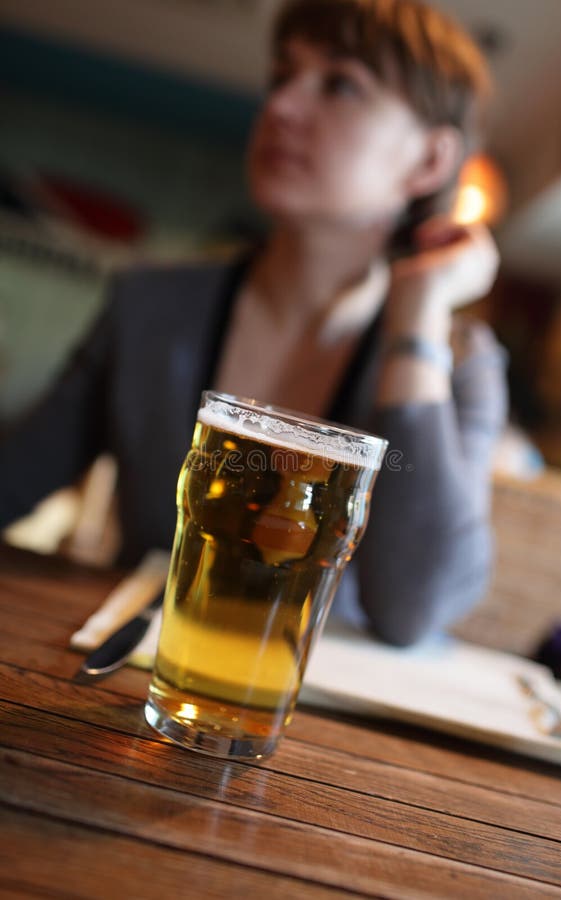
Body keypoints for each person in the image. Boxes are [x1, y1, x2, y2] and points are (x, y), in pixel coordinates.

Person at [0, 0, 507, 645]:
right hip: (128, 683)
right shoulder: (151, 307)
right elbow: (13, 481)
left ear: (430, 163)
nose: (282, 107)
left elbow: (415, 607)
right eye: (281, 78)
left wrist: (419, 321)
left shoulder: (459, 361)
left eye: (341, 85)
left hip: (317, 724)